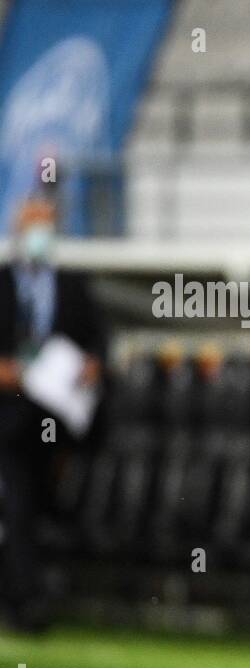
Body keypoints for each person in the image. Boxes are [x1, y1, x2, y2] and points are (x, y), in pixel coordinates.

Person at [0, 194, 106, 632]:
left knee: (41, 509)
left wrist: (89, 365)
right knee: (18, 507)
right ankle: (27, 605)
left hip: (58, 422)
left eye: (47, 225)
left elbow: (98, 344)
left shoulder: (73, 286)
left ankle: (24, 596)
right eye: (32, 225)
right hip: (8, 420)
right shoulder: (2, 284)